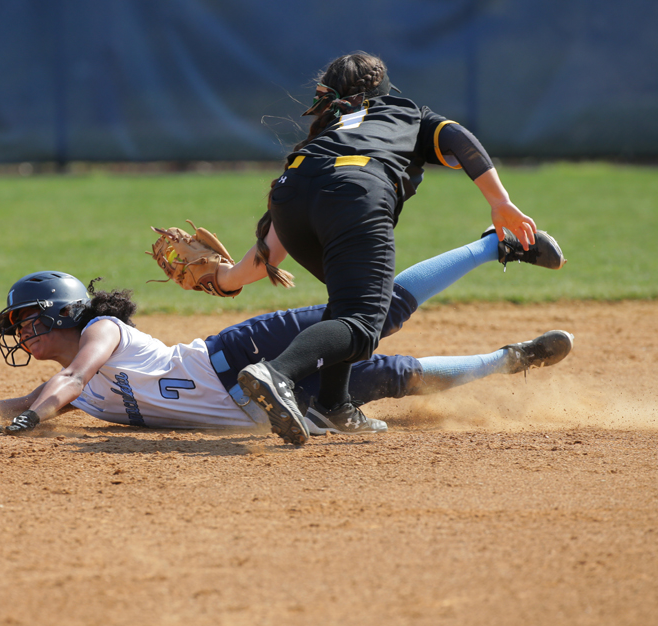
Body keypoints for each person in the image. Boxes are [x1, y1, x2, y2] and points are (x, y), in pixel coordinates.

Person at [0, 231, 572, 437]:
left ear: (65, 313)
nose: (22, 331)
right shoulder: (80, 391)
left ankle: (491, 243)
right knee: (395, 377)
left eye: (28, 319)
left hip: (244, 352)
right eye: (16, 325)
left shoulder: (97, 334)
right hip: (258, 404)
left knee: (374, 317)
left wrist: (34, 417)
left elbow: (55, 391)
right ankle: (509, 359)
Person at [205, 51, 560, 445]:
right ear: (382, 88)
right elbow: (457, 137)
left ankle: (333, 405)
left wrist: (223, 279)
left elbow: (268, 256)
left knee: (345, 306)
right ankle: (276, 373)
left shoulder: (328, 130)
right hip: (354, 194)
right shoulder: (405, 112)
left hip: (290, 196)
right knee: (361, 325)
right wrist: (499, 201)